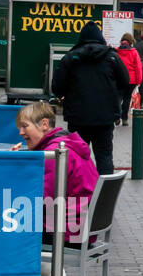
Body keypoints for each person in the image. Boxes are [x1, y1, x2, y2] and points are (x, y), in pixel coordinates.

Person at [0, 102, 100, 276]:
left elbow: (35, 198)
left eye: (24, 126)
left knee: (9, 229)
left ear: (44, 124)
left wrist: (14, 168)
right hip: (80, 225)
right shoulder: (65, 146)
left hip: (68, 229)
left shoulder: (53, 154)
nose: (20, 133)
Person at [51, 19, 132, 175]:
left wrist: (65, 95)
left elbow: (57, 86)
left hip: (77, 117)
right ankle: (105, 195)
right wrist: (115, 98)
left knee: (77, 155)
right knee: (104, 156)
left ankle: (81, 190)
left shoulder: (70, 57)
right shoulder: (112, 57)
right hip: (105, 117)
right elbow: (125, 81)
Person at [116, 33, 143, 126]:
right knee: (127, 99)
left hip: (118, 79)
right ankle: (124, 119)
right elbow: (138, 67)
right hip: (131, 80)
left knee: (118, 98)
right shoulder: (133, 52)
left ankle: (116, 116)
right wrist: (139, 81)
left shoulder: (116, 51)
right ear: (131, 41)